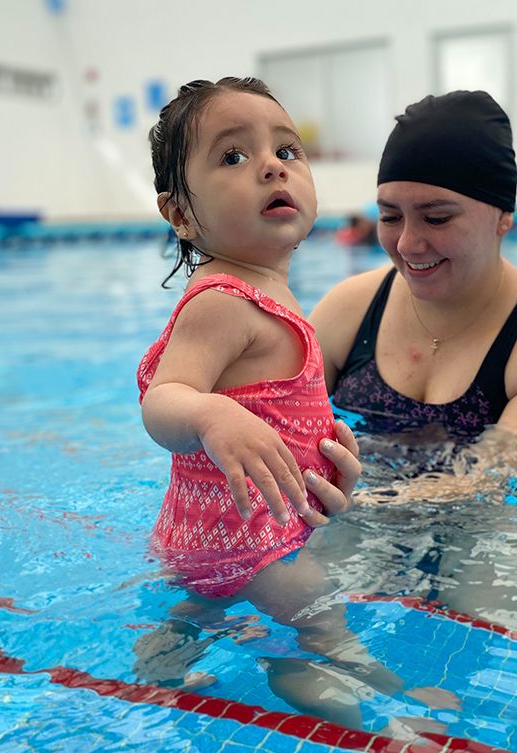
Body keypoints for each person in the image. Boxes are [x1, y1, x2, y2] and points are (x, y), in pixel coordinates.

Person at [135, 76, 457, 731]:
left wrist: (325, 443)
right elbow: (164, 401)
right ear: (181, 214)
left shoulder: (264, 292)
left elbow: (274, 403)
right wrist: (208, 413)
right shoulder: (223, 300)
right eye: (232, 156)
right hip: (253, 541)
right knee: (324, 625)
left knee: (191, 616)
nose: (271, 164)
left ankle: (156, 675)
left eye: (288, 149)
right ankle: (385, 720)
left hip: (215, 532)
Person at [310, 89, 517, 468]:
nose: (407, 244)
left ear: (503, 216)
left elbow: (483, 492)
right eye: (390, 217)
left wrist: (348, 500)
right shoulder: (349, 310)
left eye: (437, 218)